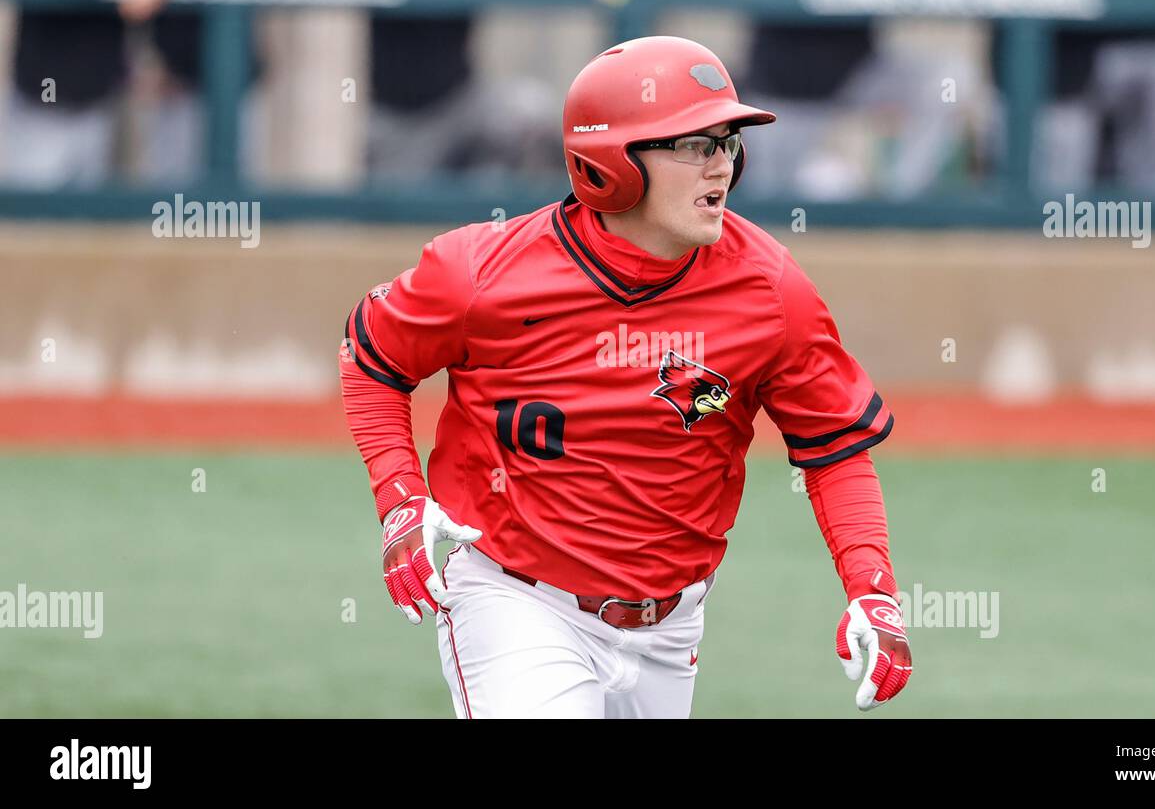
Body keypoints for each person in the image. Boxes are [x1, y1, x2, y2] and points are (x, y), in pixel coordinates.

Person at [339, 36, 912, 718]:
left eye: (727, 142)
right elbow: (370, 356)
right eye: (694, 144)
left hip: (671, 628)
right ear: (611, 163)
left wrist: (871, 584)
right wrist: (401, 500)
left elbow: (837, 446)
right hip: (513, 597)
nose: (720, 167)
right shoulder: (481, 274)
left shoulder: (771, 289)